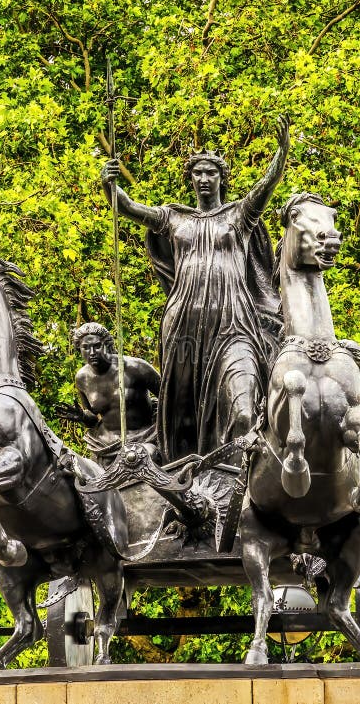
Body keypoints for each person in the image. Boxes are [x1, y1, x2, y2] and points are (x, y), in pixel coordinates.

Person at [100, 116, 289, 462]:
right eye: (197, 173)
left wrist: (282, 151)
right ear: (190, 179)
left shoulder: (239, 215)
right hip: (183, 326)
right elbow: (126, 208)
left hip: (234, 326)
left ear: (221, 178)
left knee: (244, 408)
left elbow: (266, 188)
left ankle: (240, 484)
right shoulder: (174, 218)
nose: (204, 179)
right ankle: (185, 482)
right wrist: (110, 185)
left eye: (211, 173)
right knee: (183, 416)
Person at [62, 322, 160, 466]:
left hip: (144, 438)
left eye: (96, 346)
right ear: (79, 349)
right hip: (105, 447)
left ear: (107, 344)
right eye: (86, 348)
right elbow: (94, 420)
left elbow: (169, 397)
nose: (92, 352)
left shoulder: (136, 368)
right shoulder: (82, 378)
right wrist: (83, 416)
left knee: (145, 458)